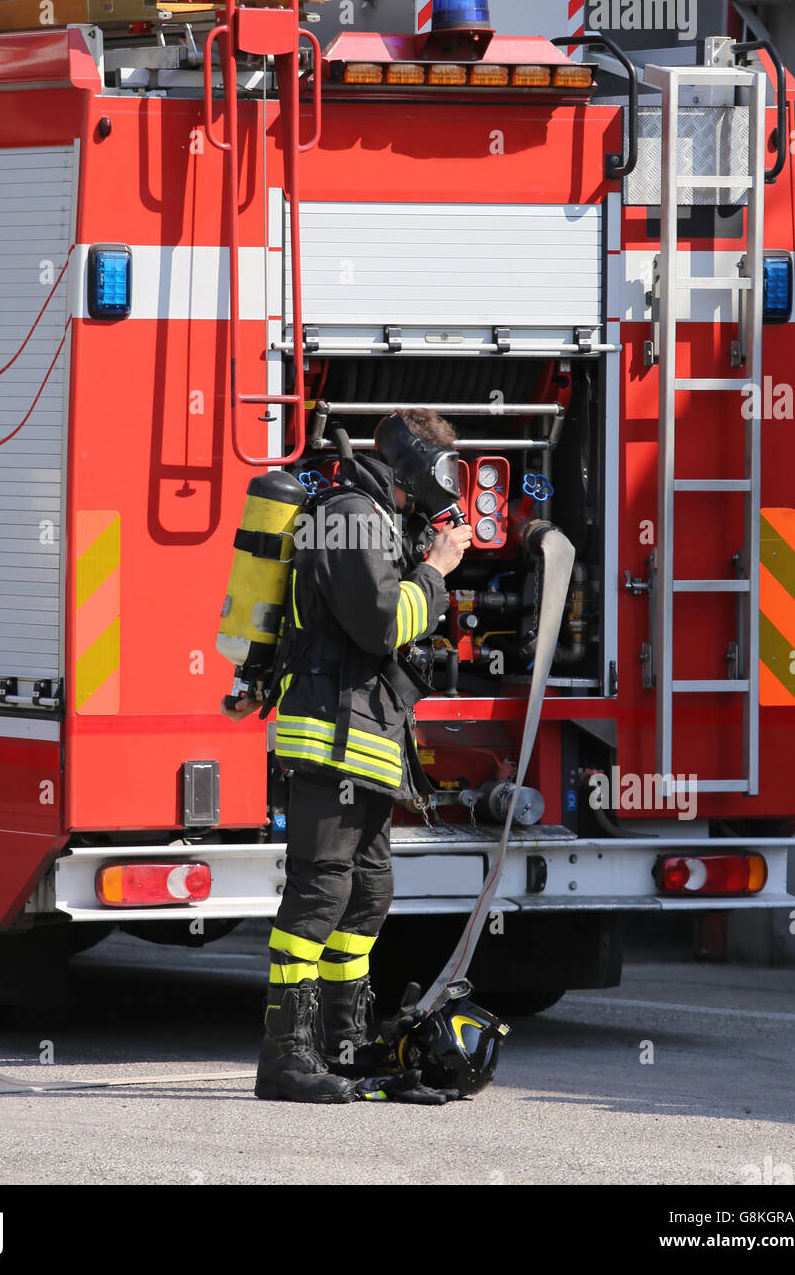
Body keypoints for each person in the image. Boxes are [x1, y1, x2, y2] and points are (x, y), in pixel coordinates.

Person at [223, 410, 472, 1102]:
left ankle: (344, 1047)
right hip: (332, 735)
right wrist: (435, 572)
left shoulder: (379, 519)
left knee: (366, 895)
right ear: (413, 462)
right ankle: (286, 1059)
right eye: (441, 466)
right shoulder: (351, 515)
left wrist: (425, 560)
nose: (445, 484)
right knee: (320, 890)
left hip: (368, 737)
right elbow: (382, 623)